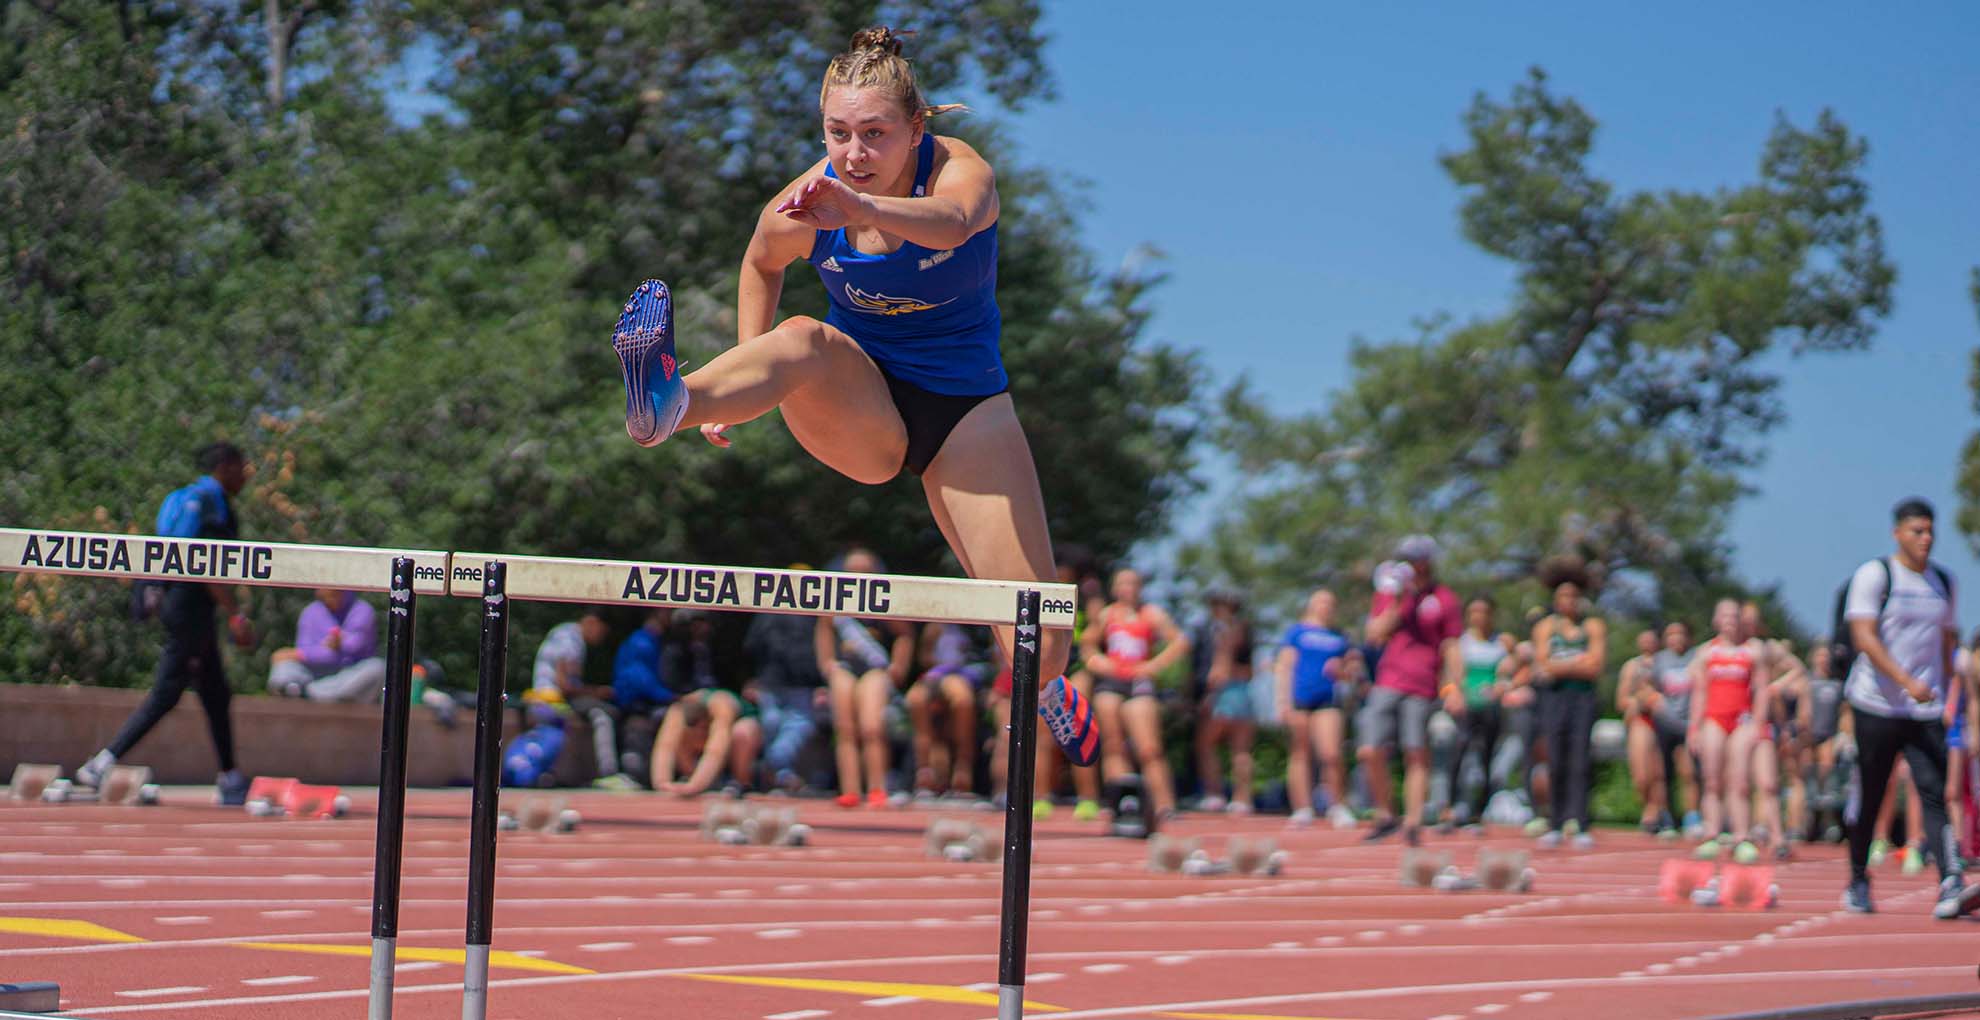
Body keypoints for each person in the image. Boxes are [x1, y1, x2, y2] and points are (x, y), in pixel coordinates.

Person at [609, 26, 1092, 769]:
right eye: (839, 134)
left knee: (1037, 631)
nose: (855, 155)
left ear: (916, 129)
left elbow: (956, 224)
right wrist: (746, 376)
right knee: (802, 337)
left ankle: (1052, 688)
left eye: (874, 134)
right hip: (859, 401)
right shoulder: (807, 201)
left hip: (964, 412)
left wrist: (862, 211)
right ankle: (674, 403)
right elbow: (759, 261)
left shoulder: (961, 174)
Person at [76, 442, 257, 805]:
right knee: (167, 692)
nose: (246, 474)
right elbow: (208, 567)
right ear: (223, 466)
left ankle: (230, 777)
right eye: (240, 466)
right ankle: (101, 763)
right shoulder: (213, 505)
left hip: (180, 603)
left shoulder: (184, 497)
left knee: (215, 693)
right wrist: (235, 614)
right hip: (190, 606)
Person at [1840, 498, 1979, 918]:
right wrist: (1904, 681)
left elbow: (1946, 643)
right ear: (1898, 533)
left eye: (1930, 531)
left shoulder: (1943, 582)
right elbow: (1864, 637)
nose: (1926, 539)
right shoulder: (1875, 575)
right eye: (1917, 531)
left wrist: (1951, 696)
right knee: (1872, 793)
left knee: (1936, 792)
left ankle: (1950, 880)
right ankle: (1859, 879)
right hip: (1876, 705)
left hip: (1924, 710)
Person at [1360, 535, 1461, 845]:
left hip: (1423, 685)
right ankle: (1385, 814)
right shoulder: (1389, 594)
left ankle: (1413, 822)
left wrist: (1453, 687)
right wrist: (1398, 599)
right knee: (1369, 749)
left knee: (1416, 752)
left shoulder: (1444, 598)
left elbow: (1452, 646)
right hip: (1389, 680)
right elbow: (1374, 635)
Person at [1085, 567, 1190, 822]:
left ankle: (1164, 804)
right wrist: (1099, 661)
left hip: (1138, 682)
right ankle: (1118, 801)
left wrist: (1153, 666)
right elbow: (1087, 645)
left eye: (1132, 583)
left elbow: (1180, 642)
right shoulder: (1107, 614)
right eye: (1122, 583)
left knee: (1149, 747)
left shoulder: (1151, 613)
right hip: (1112, 682)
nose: (1127, 588)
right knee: (1113, 745)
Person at [817, 547, 915, 808]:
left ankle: (877, 788)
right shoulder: (836, 599)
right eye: (852, 571)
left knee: (872, 727)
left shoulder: (884, 599)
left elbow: (905, 634)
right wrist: (827, 663)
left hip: (873, 669)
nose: (858, 575)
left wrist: (898, 666)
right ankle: (850, 790)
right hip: (845, 668)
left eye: (864, 570)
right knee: (845, 729)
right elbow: (824, 627)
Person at [1687, 599, 1779, 863]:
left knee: (1739, 781)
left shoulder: (1753, 651)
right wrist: (1694, 728)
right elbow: (1700, 693)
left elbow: (1762, 690)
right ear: (1716, 620)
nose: (1729, 620)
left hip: (1742, 720)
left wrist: (1758, 725)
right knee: (1712, 779)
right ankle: (1711, 834)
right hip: (1713, 719)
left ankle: (1742, 837)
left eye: (1734, 615)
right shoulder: (1706, 652)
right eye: (1724, 615)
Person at [1529, 565, 1606, 849]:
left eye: (1574, 595)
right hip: (1554, 699)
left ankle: (1581, 821)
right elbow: (1541, 665)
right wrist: (1576, 663)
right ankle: (1556, 821)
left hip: (1582, 699)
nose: (1569, 601)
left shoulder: (1592, 626)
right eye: (1564, 595)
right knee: (1556, 758)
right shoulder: (1546, 627)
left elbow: (1595, 665)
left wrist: (1561, 666)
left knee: (1580, 759)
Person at [1277, 589, 1360, 828]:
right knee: (1300, 753)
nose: (1326, 606)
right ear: (1312, 604)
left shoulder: (1340, 636)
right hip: (1300, 699)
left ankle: (1337, 805)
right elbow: (1285, 665)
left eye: (1330, 602)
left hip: (1328, 700)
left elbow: (1352, 673)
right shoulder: (1297, 632)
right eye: (1322, 601)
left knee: (1331, 753)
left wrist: (1343, 670)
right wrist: (1283, 702)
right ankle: (1302, 808)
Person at [743, 593, 832, 794]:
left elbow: (751, 645)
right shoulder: (812, 614)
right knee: (787, 725)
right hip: (787, 683)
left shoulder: (769, 611)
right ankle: (778, 772)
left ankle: (776, 771)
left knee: (780, 726)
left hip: (780, 681)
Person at [1442, 596, 1514, 832]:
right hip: (1466, 706)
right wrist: (1452, 694)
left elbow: (1516, 669)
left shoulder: (1501, 643)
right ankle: (1450, 807)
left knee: (1487, 759)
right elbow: (1448, 678)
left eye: (1484, 611)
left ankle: (1478, 812)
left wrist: (1503, 686)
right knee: (1459, 751)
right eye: (1474, 611)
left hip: (1491, 708)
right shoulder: (1459, 643)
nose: (1479, 616)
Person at [530, 610, 625, 789]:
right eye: (602, 631)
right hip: (551, 700)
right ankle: (609, 772)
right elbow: (565, 685)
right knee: (603, 714)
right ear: (592, 622)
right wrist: (596, 692)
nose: (601, 638)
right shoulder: (571, 639)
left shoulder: (564, 633)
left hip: (548, 697)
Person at [907, 623, 990, 798]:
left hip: (966, 675)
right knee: (916, 699)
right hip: (936, 675)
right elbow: (924, 657)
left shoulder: (976, 628)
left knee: (961, 700)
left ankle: (962, 771)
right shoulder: (936, 626)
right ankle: (925, 772)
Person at [1193, 592, 1258, 814]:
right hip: (1244, 692)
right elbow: (1250, 671)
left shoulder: (1223, 631)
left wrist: (1209, 696)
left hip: (1225, 694)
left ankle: (1215, 794)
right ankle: (1243, 798)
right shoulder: (1246, 631)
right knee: (1241, 749)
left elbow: (1218, 671)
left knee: (1206, 744)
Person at [267, 589, 385, 703]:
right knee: (284, 667)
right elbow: (305, 649)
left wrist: (339, 646)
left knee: (377, 668)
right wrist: (303, 654)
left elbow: (354, 648)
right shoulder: (311, 612)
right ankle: (303, 692)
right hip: (313, 675)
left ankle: (308, 694)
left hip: (348, 675)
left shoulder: (362, 610)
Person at [650, 688, 765, 799]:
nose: (698, 733)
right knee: (678, 737)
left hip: (740, 736)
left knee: (742, 732)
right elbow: (664, 746)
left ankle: (741, 783)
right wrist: (662, 783)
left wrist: (695, 786)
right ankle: (693, 776)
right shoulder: (677, 710)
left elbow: (716, 751)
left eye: (701, 729)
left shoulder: (722, 706)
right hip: (707, 743)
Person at [611, 609, 678, 783]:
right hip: (636, 703)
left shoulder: (652, 641)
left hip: (643, 701)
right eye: (668, 614)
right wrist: (669, 697)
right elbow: (640, 678)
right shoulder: (642, 642)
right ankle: (633, 775)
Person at [1617, 628, 1674, 835]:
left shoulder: (1666, 662)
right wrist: (1639, 701)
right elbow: (1621, 700)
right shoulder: (1632, 666)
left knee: (1659, 772)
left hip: (1664, 720)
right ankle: (1649, 806)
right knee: (1642, 774)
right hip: (1641, 720)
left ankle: (1658, 812)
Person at [1652, 621, 1701, 837]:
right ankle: (1666, 818)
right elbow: (1647, 685)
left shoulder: (1697, 657)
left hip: (1688, 724)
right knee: (1661, 773)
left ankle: (1692, 817)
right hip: (1664, 723)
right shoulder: (1660, 659)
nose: (1676, 638)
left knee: (1688, 772)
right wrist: (1654, 698)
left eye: (1680, 633)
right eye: (1671, 634)